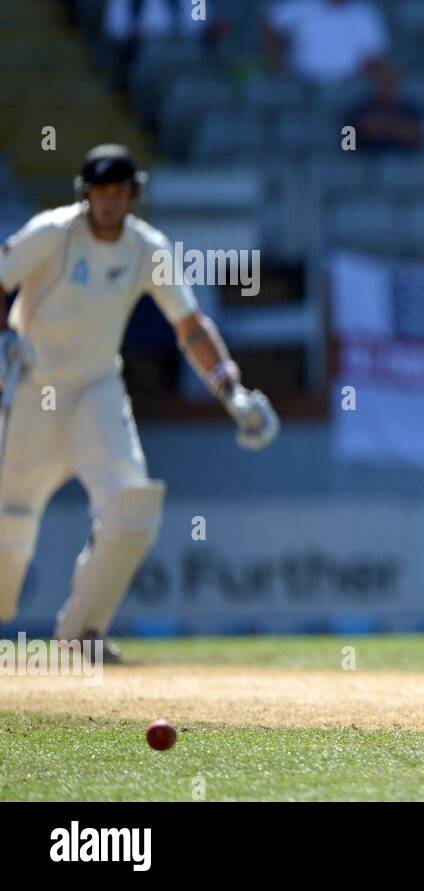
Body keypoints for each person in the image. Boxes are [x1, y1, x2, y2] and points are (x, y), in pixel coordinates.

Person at [0, 145, 279, 661]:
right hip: (32, 387)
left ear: (133, 196)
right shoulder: (53, 232)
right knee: (9, 521)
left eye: (120, 192)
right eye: (101, 192)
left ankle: (80, 637)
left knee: (133, 507)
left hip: (97, 388)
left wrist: (230, 390)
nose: (110, 202)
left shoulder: (148, 249)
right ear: (86, 195)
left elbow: (189, 325)